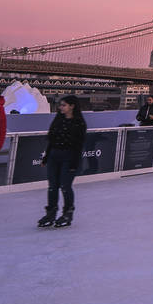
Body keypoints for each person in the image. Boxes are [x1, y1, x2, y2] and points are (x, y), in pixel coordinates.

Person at [38, 95, 86, 228]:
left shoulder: (79, 123)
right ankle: (51, 213)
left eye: (64, 105)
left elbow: (78, 145)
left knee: (65, 186)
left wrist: (74, 164)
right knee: (52, 186)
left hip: (69, 157)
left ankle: (67, 213)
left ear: (72, 106)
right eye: (60, 105)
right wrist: (46, 157)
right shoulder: (58, 119)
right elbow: (51, 140)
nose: (61, 107)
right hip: (54, 156)